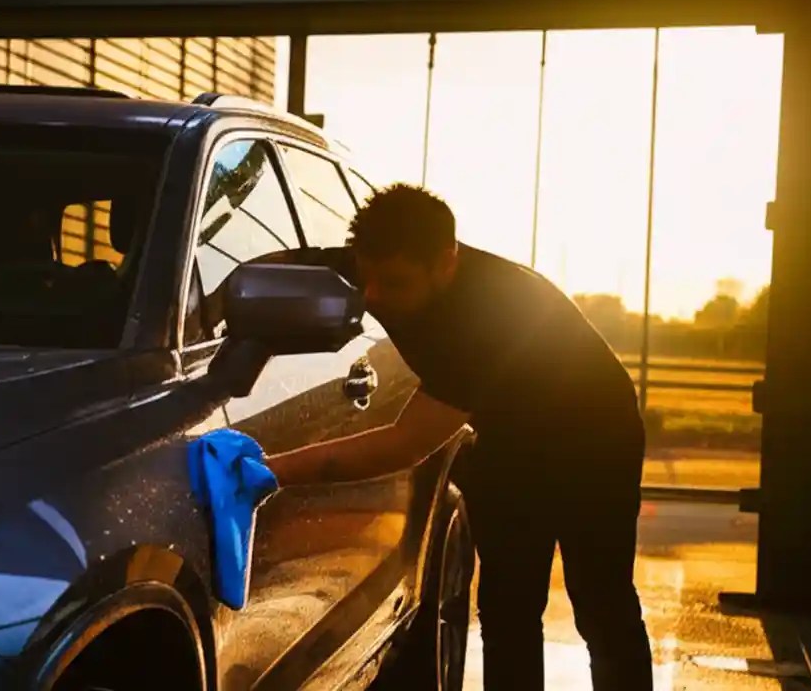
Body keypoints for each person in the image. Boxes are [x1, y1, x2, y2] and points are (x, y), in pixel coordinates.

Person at [266, 184, 653, 690]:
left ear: (446, 263)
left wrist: (268, 470)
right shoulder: (375, 262)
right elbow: (273, 265)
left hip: (595, 435)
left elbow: (405, 443)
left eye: (395, 283)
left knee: (602, 606)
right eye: (367, 277)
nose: (374, 296)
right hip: (507, 433)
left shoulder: (488, 314)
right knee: (507, 607)